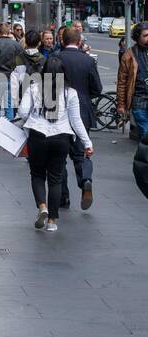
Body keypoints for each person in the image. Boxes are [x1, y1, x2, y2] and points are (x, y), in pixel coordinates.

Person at [16, 52, 93, 232]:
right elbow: (76, 121)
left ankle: (42, 206)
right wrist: (87, 143)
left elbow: (22, 111)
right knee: (55, 178)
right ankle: (52, 221)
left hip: (37, 136)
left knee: (37, 174)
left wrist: (32, 118)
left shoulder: (34, 88)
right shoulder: (70, 93)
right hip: (62, 137)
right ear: (63, 73)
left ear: (44, 71)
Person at [58, 24, 102, 211]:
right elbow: (97, 88)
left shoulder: (55, 58)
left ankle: (63, 196)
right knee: (80, 153)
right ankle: (85, 179)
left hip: (58, 112)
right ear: (79, 41)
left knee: (59, 157)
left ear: (62, 40)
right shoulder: (87, 61)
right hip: (82, 111)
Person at [0, 21, 26, 125]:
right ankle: (9, 131)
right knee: (9, 106)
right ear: (9, 32)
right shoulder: (16, 45)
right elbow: (21, 65)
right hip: (11, 77)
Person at [118, 22, 148, 142]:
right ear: (137, 37)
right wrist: (121, 104)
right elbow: (122, 81)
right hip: (139, 100)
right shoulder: (129, 55)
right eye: (145, 35)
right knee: (145, 133)